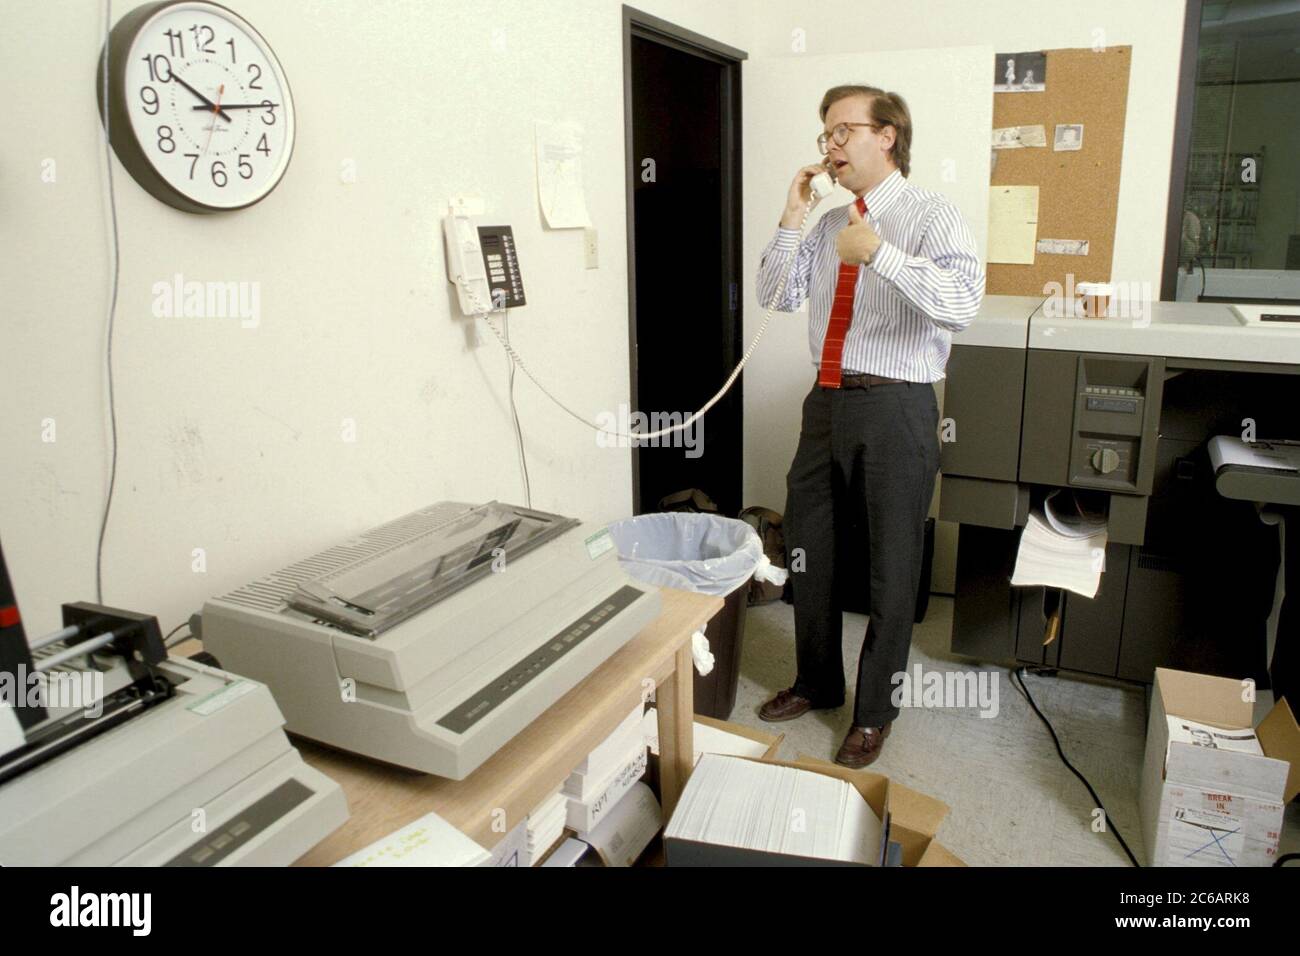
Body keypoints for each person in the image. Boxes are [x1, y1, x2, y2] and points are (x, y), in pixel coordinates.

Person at [754, 84, 984, 767]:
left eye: (843, 131)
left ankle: (875, 711)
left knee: (891, 569)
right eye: (825, 134)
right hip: (825, 401)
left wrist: (880, 253)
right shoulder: (826, 224)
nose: (830, 145)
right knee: (809, 552)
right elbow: (775, 295)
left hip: (897, 406)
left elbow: (962, 305)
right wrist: (794, 216)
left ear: (886, 136)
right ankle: (818, 680)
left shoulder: (931, 215)